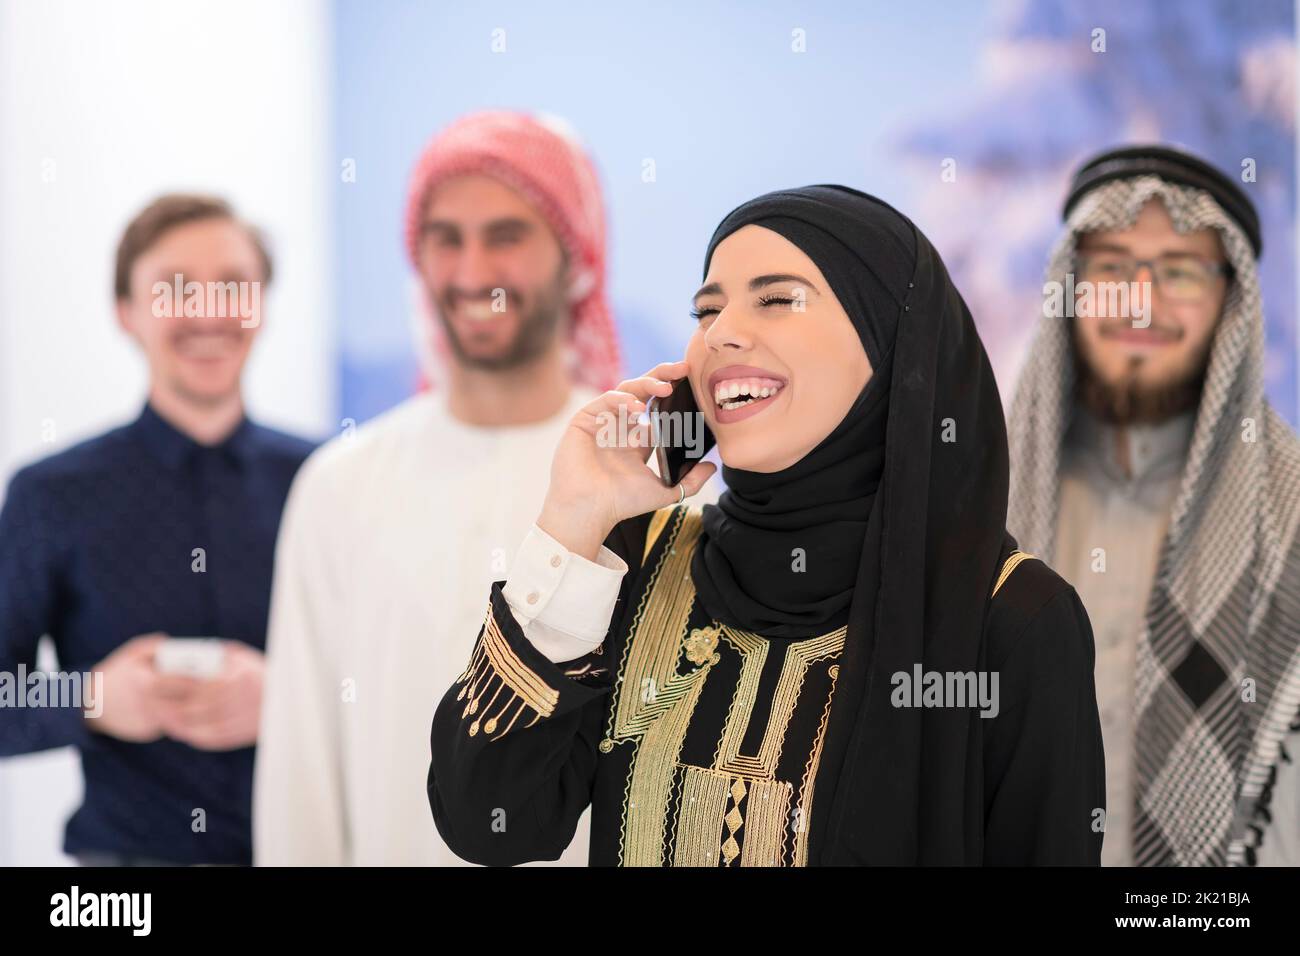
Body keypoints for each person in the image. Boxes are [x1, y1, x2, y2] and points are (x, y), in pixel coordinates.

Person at [428, 184, 1106, 866]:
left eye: (777, 299)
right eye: (707, 309)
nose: (720, 332)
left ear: (889, 343)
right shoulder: (642, 561)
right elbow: (489, 822)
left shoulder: (1011, 619)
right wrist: (572, 523)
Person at [255, 111, 709, 866]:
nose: (473, 272)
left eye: (507, 235)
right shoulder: (338, 486)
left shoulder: (653, 487)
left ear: (575, 259)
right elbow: (302, 762)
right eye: (446, 238)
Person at [1007, 145, 1300, 867]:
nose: (1140, 299)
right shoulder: (974, 500)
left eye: (1179, 271)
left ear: (1231, 301)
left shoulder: (1291, 518)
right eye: (1110, 268)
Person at [0, 194, 314, 865]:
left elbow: (387, 678)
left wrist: (289, 698)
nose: (208, 312)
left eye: (234, 286)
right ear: (126, 313)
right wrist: (89, 696)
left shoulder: (324, 481)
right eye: (175, 289)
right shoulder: (50, 494)